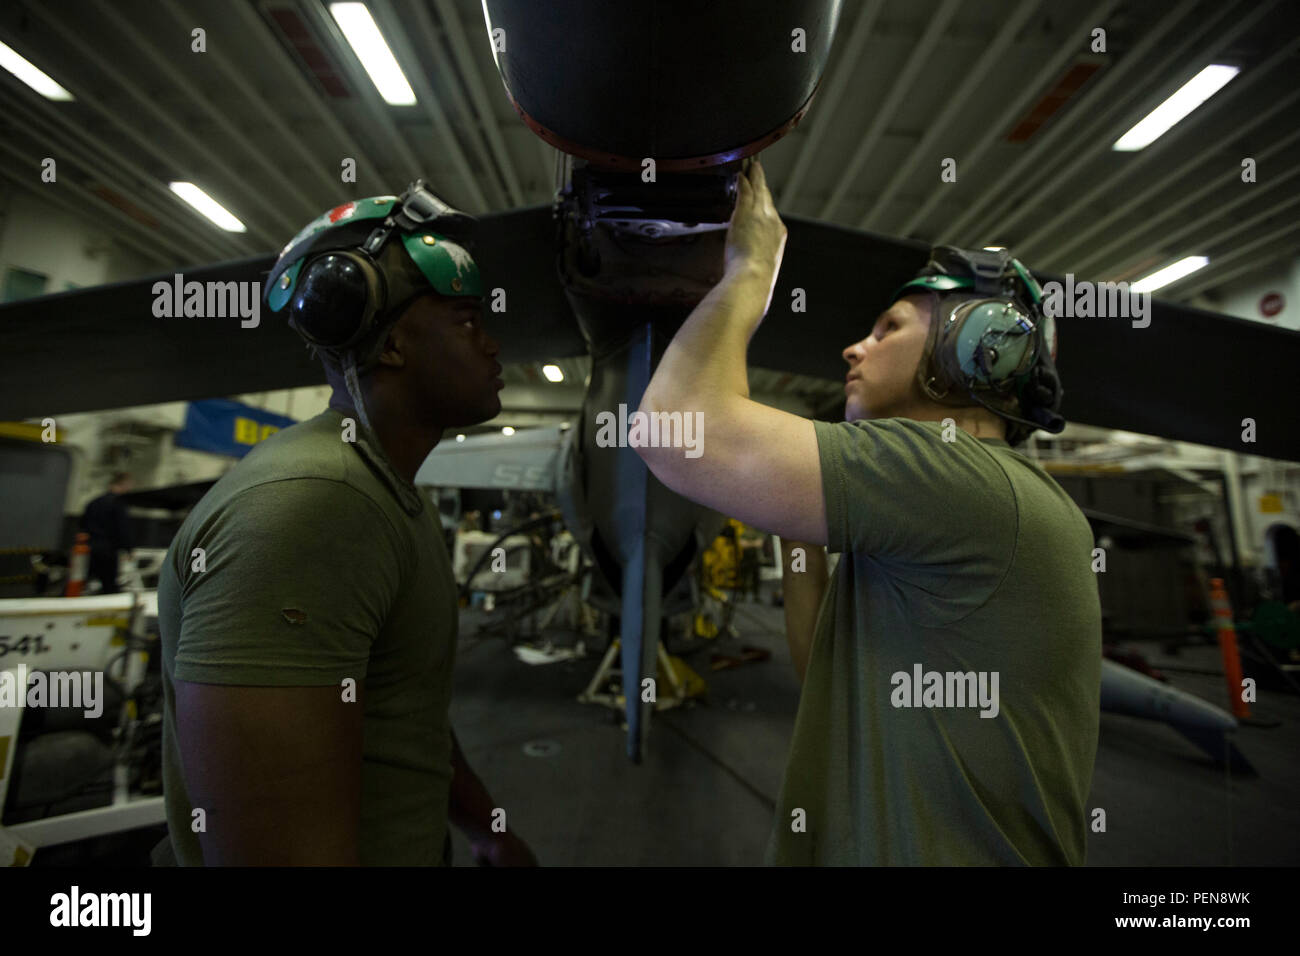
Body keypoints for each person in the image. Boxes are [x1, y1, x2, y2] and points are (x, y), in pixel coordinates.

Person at [636, 159, 1101, 865]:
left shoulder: (957, 476)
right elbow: (819, 659)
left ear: (980, 345)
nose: (855, 346)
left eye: (888, 328)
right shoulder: (951, 498)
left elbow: (672, 429)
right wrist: (790, 509)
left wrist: (752, 269)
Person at [156, 183, 536, 866]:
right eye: (464, 321)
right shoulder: (314, 506)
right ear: (391, 346)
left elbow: (402, 711)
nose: (490, 342)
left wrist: (486, 828)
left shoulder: (379, 490)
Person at [80, 471, 134, 594]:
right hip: (108, 551)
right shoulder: (119, 504)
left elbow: (83, 525)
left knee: (82, 580)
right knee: (109, 585)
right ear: (124, 484)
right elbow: (122, 529)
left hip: (89, 548)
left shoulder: (93, 503)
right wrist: (128, 549)